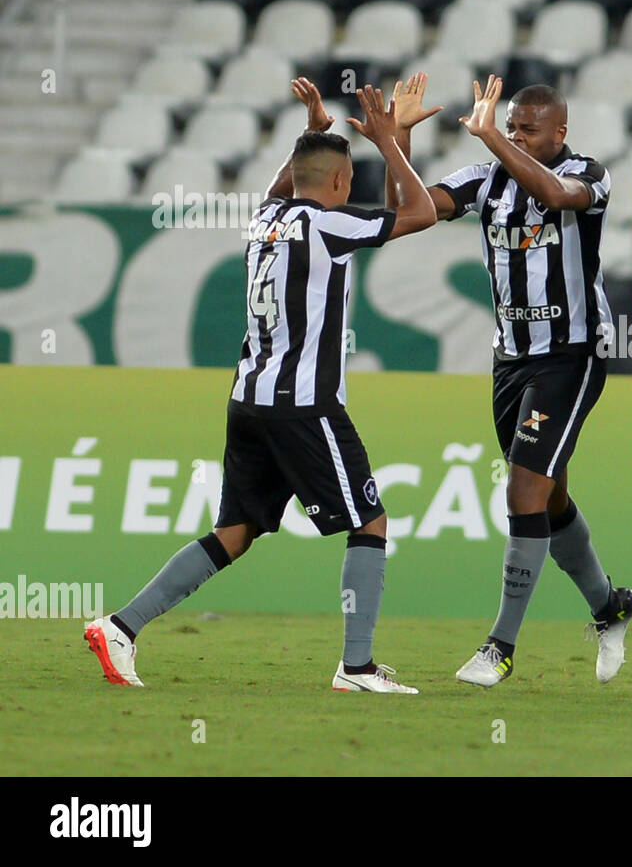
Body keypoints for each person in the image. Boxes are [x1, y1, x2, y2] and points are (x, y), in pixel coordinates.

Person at [85, 79, 437, 693]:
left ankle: (121, 626)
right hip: (304, 406)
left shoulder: (266, 218)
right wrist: (388, 142)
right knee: (370, 523)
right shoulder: (331, 227)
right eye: (347, 179)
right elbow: (422, 213)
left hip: (249, 400)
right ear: (337, 185)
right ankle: (355, 668)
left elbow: (285, 183)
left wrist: (316, 131)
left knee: (235, 532)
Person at [381, 72, 632, 687]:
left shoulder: (590, 173)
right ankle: (610, 607)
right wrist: (395, 139)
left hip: (572, 354)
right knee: (547, 498)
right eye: (511, 126)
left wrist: (493, 136)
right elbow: (411, 211)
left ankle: (500, 647)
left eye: (529, 130)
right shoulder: (482, 179)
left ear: (561, 133)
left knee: (523, 491)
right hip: (510, 359)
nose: (518, 137)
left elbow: (554, 194)